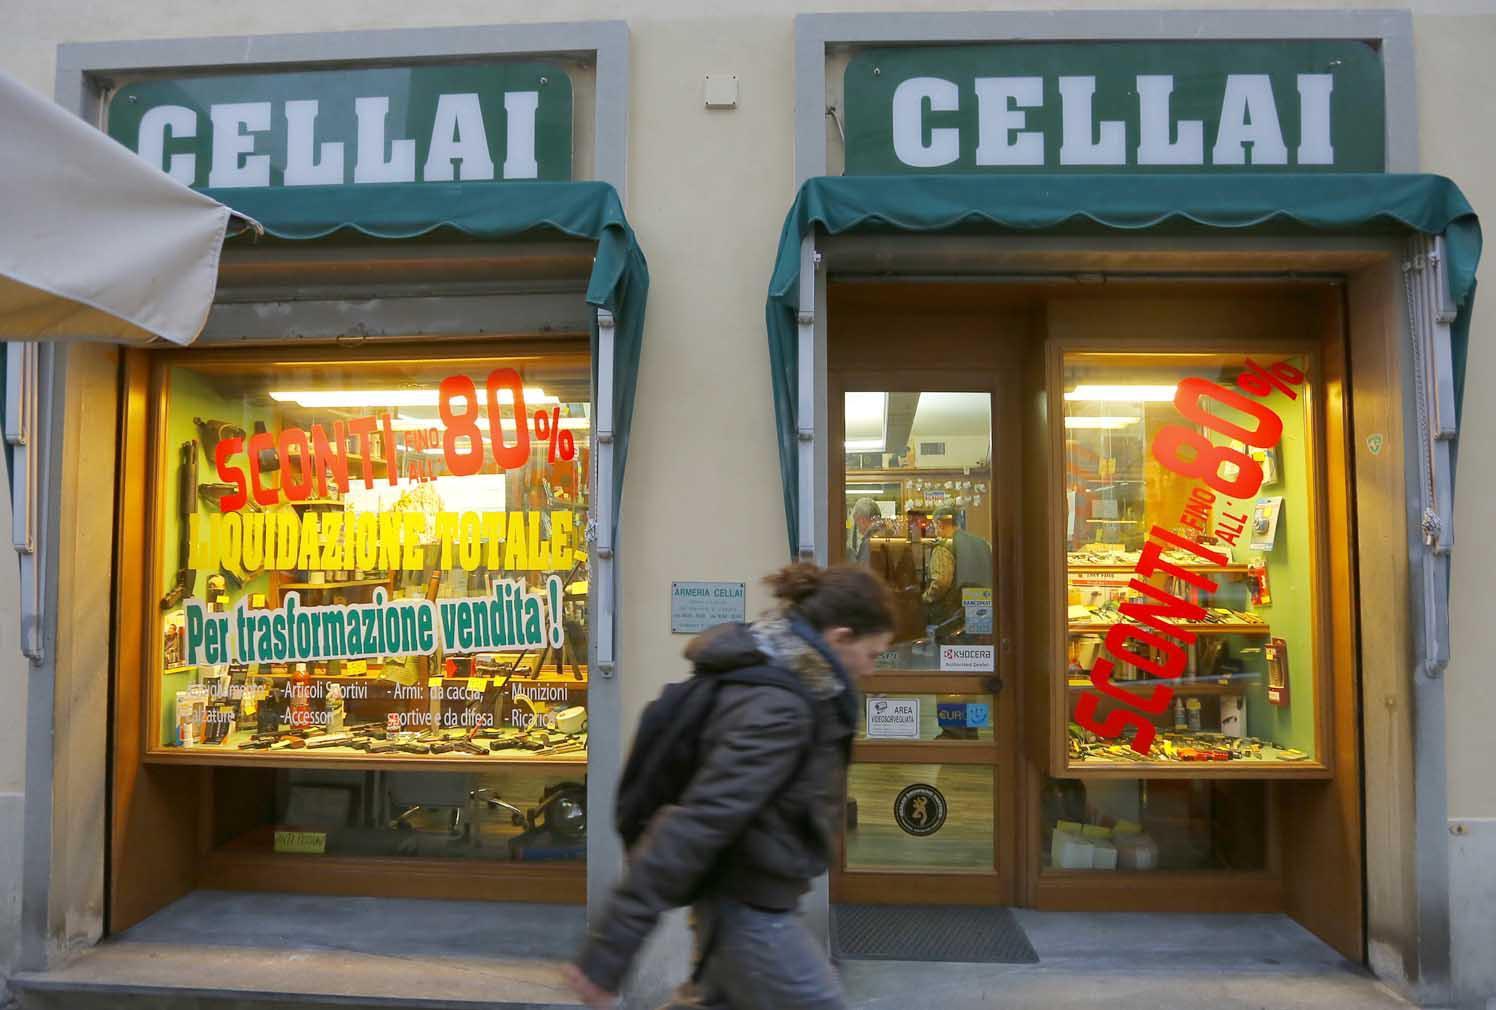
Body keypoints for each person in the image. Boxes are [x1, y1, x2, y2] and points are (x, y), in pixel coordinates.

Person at [564, 563, 897, 1010]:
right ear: (839, 638)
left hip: (740, 905)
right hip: (750, 914)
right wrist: (610, 952)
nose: (871, 670)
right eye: (873, 655)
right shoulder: (779, 706)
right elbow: (698, 822)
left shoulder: (792, 684)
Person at [920, 507, 993, 632]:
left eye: (934, 525)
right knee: (977, 642)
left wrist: (925, 598)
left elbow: (941, 582)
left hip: (952, 616)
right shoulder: (983, 543)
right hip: (983, 608)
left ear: (940, 524)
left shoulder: (944, 547)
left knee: (949, 644)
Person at [847, 496, 886, 566]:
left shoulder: (869, 542)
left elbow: (862, 570)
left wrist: (849, 553)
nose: (857, 528)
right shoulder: (884, 535)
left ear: (862, 520)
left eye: (857, 522)